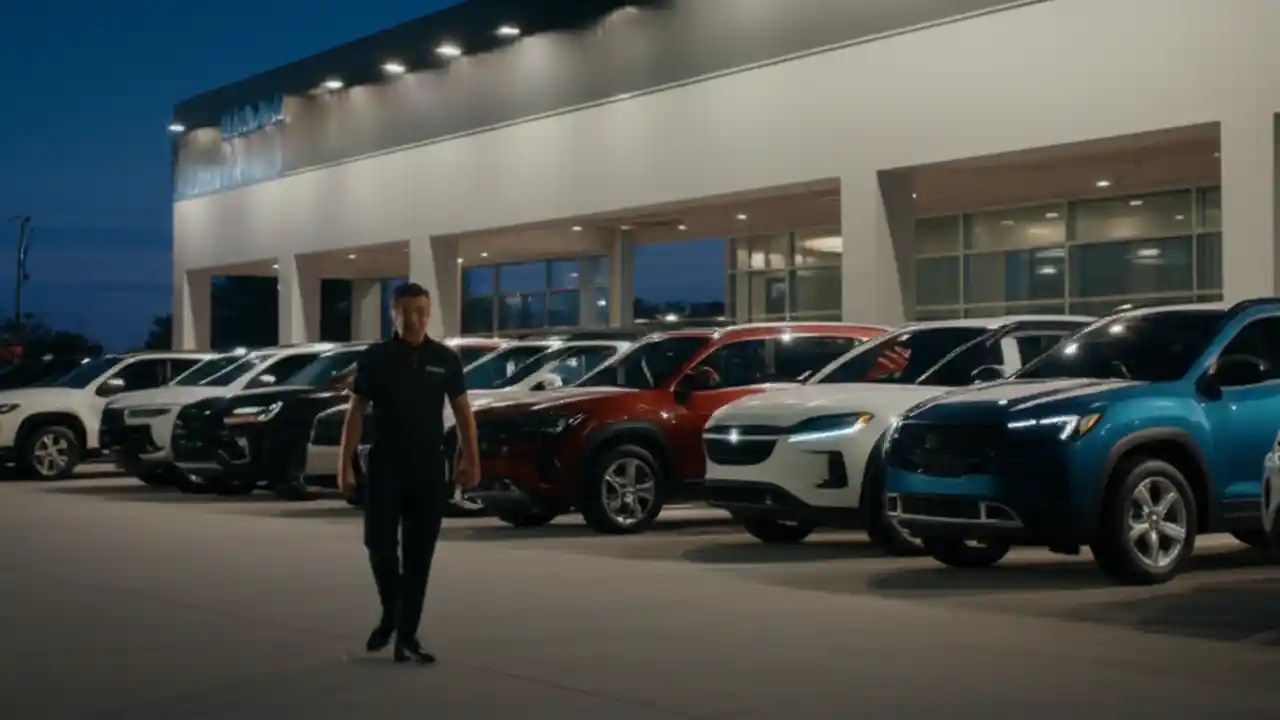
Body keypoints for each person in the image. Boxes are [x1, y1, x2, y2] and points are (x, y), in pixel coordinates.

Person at [338, 282, 480, 664]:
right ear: (393, 314)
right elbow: (354, 414)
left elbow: (464, 412)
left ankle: (407, 636)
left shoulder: (445, 359)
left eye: (422, 311)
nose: (416, 319)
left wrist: (470, 459)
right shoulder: (375, 358)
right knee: (379, 545)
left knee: (420, 555)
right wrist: (345, 466)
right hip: (385, 464)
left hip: (428, 467)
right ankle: (392, 615)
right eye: (408, 312)